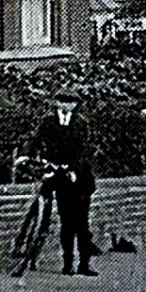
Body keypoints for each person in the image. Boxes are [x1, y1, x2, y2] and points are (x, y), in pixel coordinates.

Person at [34, 92, 99, 275]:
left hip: (80, 179)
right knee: (66, 222)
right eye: (62, 101)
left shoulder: (81, 123)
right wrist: (48, 163)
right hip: (60, 178)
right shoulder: (48, 122)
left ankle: (84, 264)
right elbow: (39, 144)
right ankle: (67, 263)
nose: (66, 105)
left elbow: (85, 150)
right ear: (56, 103)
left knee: (83, 223)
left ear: (75, 105)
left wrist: (73, 168)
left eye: (70, 102)